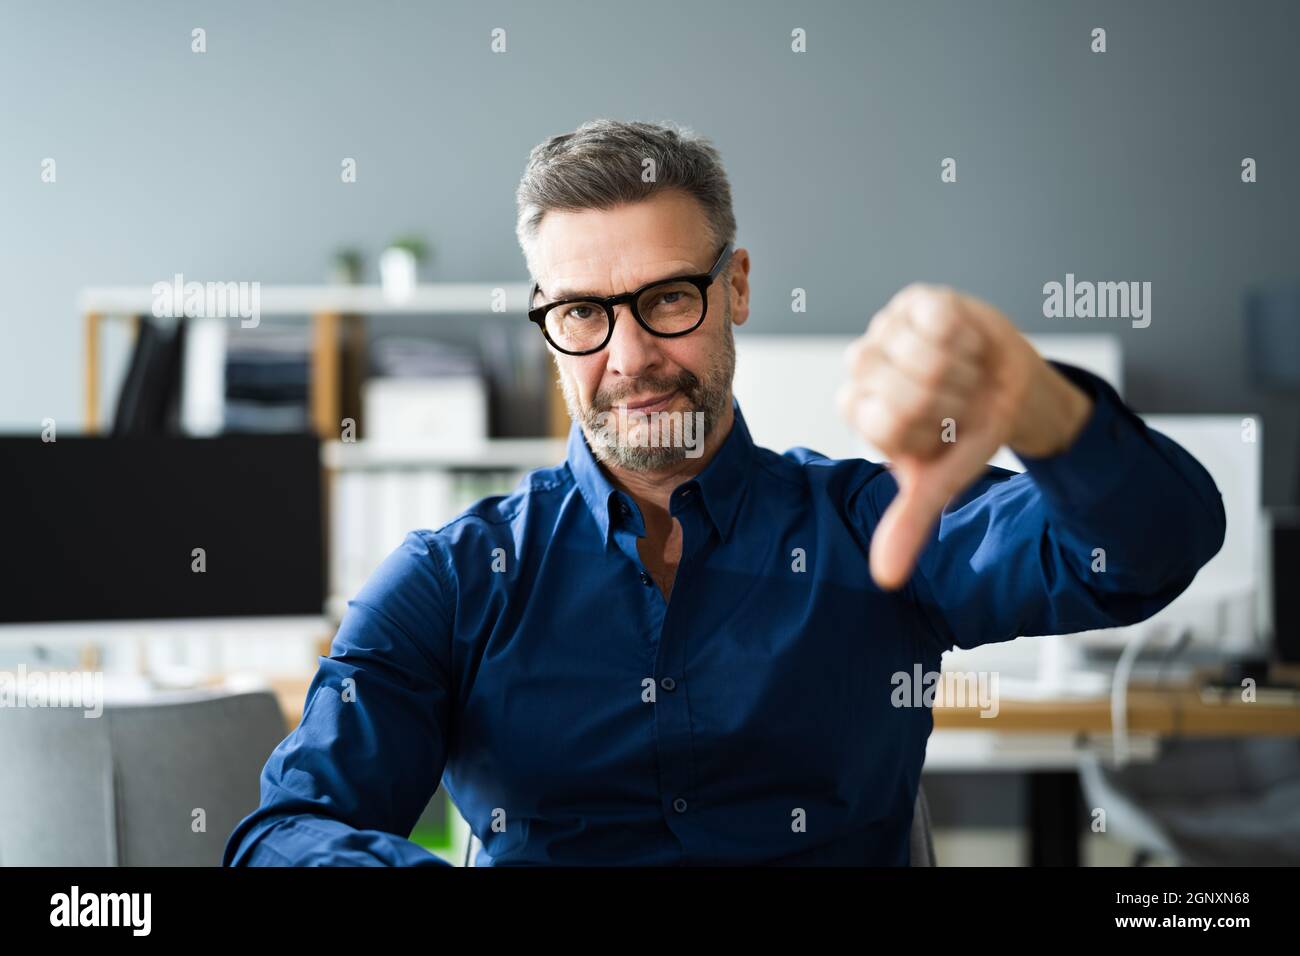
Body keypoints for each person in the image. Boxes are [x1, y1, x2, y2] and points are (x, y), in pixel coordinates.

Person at [224, 119, 1225, 866]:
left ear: (735, 285)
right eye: (582, 311)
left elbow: (1144, 552)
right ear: (545, 324)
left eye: (666, 298)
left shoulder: (870, 524)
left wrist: (1049, 413)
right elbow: (282, 835)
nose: (628, 356)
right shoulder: (452, 579)